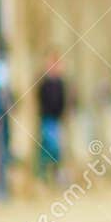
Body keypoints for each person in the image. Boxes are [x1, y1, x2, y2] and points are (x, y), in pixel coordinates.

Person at [36, 52, 69, 186]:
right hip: (47, 119)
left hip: (57, 120)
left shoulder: (61, 83)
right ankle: (43, 174)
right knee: (48, 147)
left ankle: (54, 173)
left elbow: (64, 101)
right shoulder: (44, 82)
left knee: (56, 149)